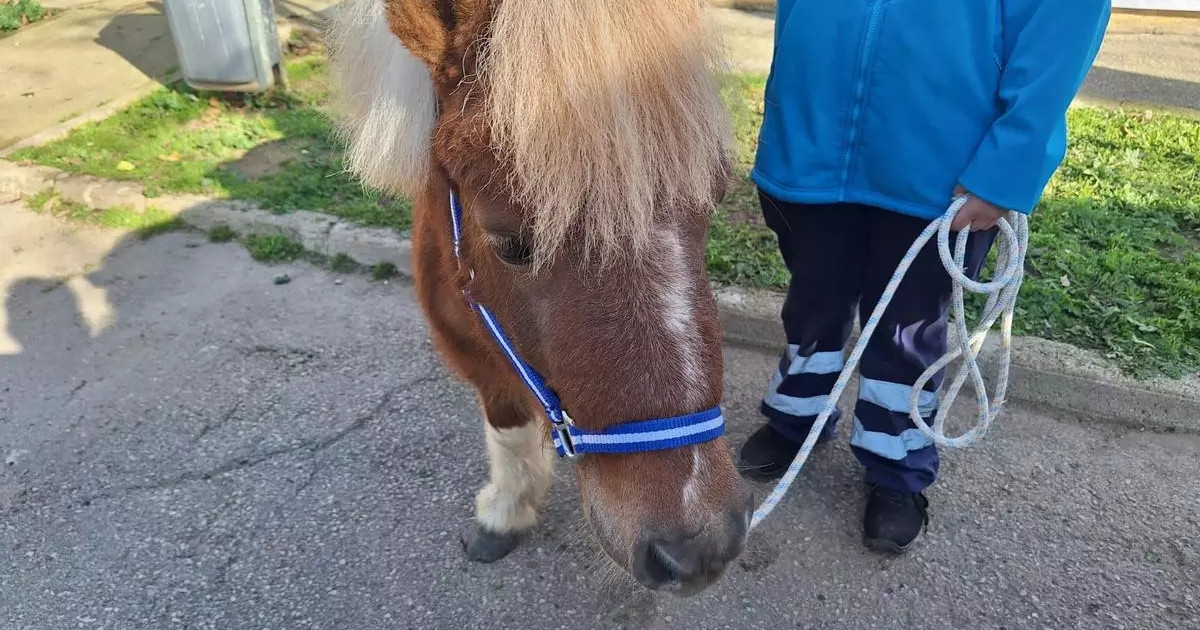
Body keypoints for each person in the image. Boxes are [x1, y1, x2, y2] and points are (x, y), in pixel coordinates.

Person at [738, 0, 1112, 553]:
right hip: (812, 136)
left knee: (908, 327)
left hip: (942, 165)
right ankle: (799, 414)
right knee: (813, 297)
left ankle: (895, 463)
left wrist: (1008, 167)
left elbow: (1061, 27)